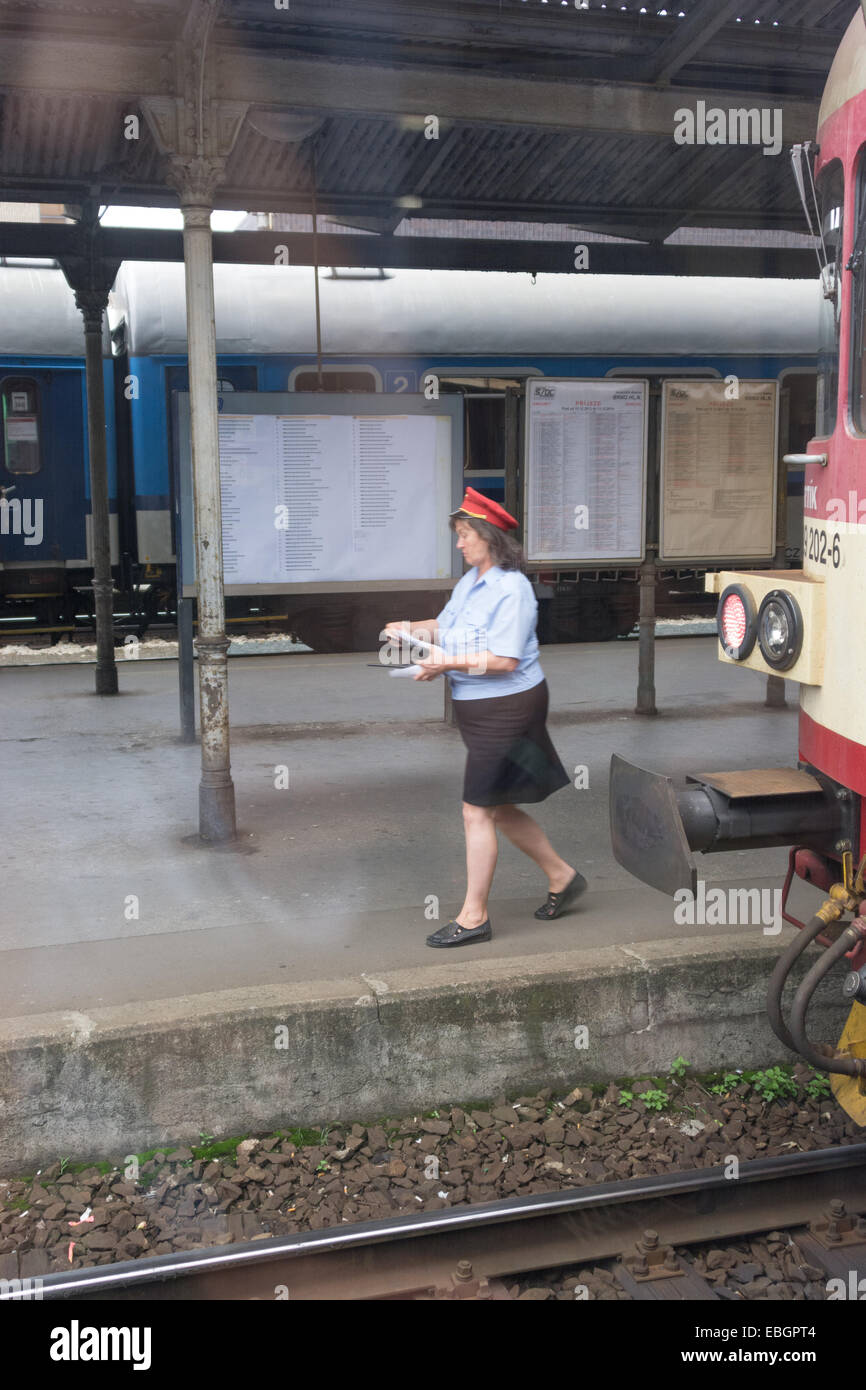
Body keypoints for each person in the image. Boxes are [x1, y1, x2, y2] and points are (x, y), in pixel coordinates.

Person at [384, 486, 586, 948]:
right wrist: (409, 628)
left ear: (489, 537)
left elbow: (505, 661)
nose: (459, 544)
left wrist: (444, 664)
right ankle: (562, 875)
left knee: (476, 809)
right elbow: (446, 626)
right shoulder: (472, 580)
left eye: (464, 535)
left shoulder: (512, 590)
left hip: (508, 709)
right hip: (480, 709)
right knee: (497, 804)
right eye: (457, 534)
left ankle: (474, 917)